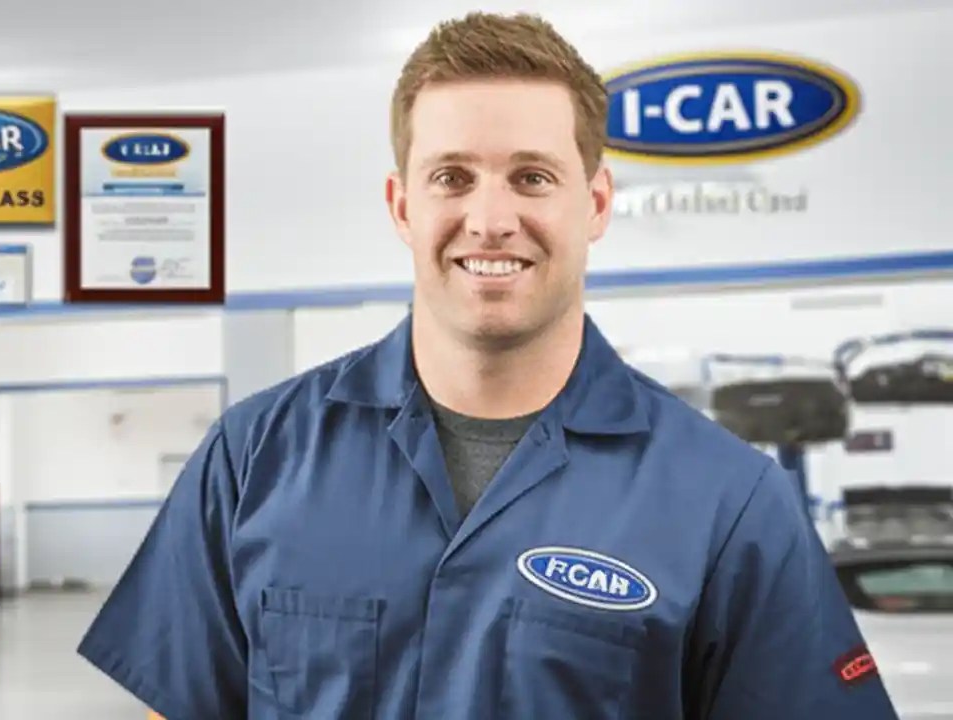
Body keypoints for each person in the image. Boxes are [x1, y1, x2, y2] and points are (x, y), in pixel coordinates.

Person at [77, 11, 900, 719]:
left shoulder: (729, 503)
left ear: (597, 202)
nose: (491, 218)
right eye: (453, 177)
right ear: (404, 205)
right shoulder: (253, 457)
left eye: (532, 177)